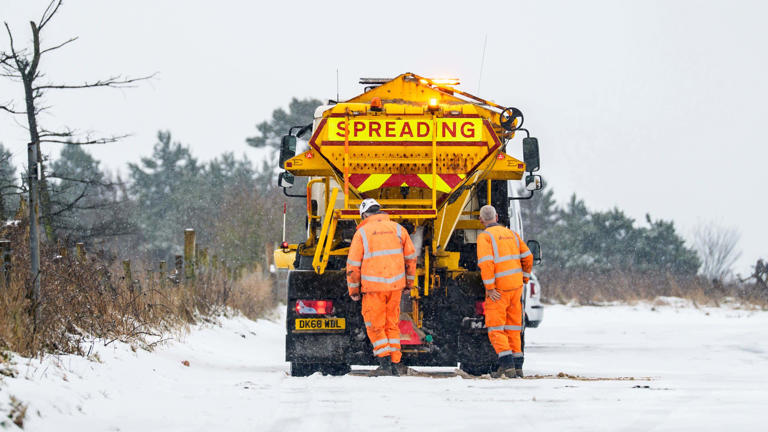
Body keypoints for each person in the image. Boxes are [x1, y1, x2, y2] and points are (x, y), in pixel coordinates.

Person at [347, 198, 417, 376]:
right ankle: (394, 363)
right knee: (392, 324)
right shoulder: (399, 229)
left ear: (363, 214)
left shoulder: (362, 233)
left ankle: (384, 364)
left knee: (375, 325)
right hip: (395, 287)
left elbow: (353, 265)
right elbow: (411, 258)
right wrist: (409, 283)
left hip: (373, 288)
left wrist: (353, 290)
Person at [477, 204, 533, 378]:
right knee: (513, 327)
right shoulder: (512, 235)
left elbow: (486, 264)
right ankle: (518, 367)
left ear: (481, 220)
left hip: (499, 290)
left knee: (496, 328)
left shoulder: (485, 237)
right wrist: (524, 278)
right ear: (497, 217)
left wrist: (490, 288)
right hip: (515, 287)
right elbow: (528, 256)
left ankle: (507, 366)